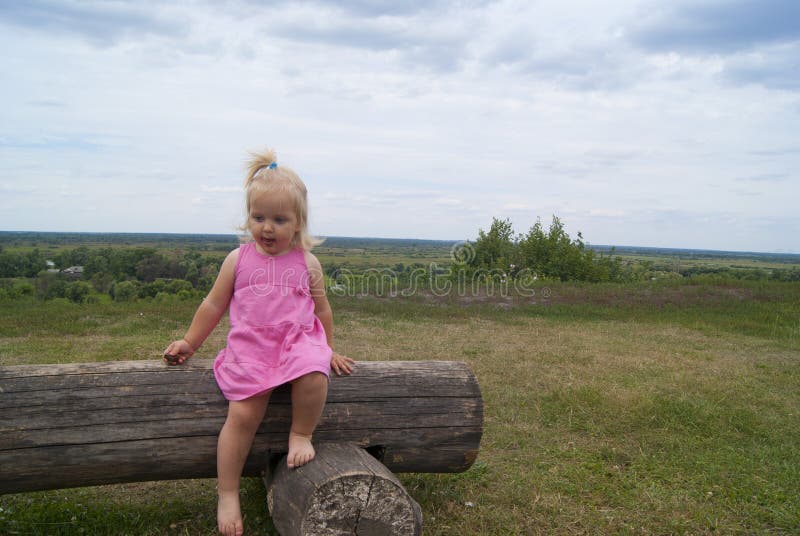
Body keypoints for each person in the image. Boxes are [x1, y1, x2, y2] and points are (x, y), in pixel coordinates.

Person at [163, 148, 355, 536]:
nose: (267, 228)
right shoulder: (238, 260)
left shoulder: (307, 264)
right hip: (251, 349)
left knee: (314, 375)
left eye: (279, 219)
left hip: (296, 343)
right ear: (248, 217)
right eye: (259, 217)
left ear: (298, 222)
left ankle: (301, 433)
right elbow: (213, 304)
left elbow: (323, 311)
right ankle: (228, 491)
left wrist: (328, 347)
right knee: (243, 416)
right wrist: (190, 341)